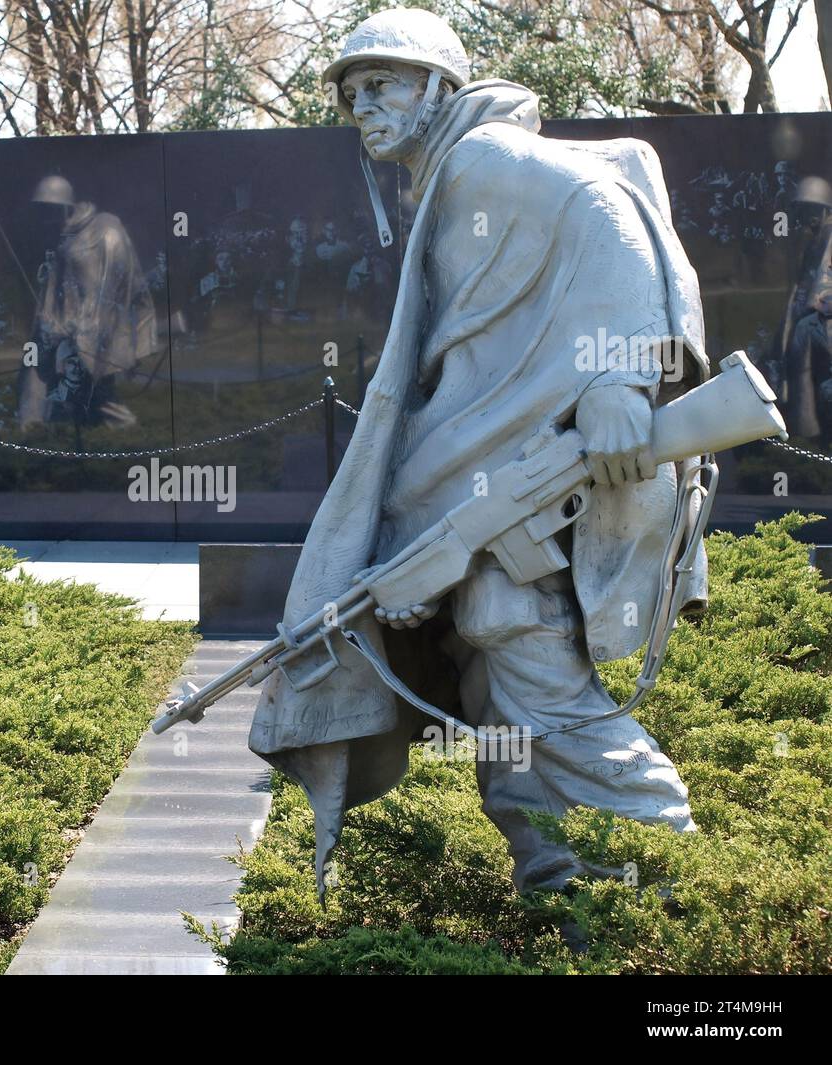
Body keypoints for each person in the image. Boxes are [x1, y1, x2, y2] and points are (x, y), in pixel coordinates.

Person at [251, 9, 709, 897]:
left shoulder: (482, 157)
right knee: (504, 705)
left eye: (381, 84)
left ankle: (679, 887)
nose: (361, 105)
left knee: (544, 697)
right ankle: (563, 892)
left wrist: (620, 377)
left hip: (520, 488)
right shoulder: (451, 175)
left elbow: (612, 210)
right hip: (484, 488)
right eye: (351, 93)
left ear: (437, 88)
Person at [17, 175, 155, 428]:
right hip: (61, 327)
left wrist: (79, 330)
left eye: (51, 209)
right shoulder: (63, 237)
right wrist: (51, 324)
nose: (45, 217)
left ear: (65, 207)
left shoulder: (104, 232)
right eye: (42, 210)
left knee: (97, 392)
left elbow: (109, 292)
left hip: (94, 330)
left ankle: (128, 429)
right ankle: (31, 425)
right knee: (37, 369)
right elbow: (57, 290)